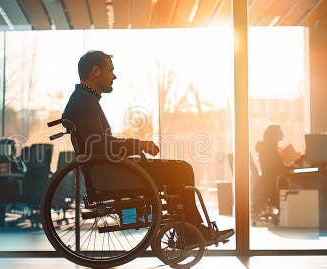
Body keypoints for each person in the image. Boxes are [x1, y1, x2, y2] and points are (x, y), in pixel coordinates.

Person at [62, 50, 234, 246]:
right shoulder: (85, 102)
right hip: (110, 174)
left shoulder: (83, 99)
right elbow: (100, 145)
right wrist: (139, 145)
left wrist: (135, 146)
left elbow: (99, 143)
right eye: (111, 70)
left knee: (178, 170)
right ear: (95, 71)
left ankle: (190, 230)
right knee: (181, 169)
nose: (114, 76)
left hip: (108, 169)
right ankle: (191, 232)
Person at [254, 125, 291, 218]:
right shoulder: (270, 149)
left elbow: (277, 166)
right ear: (273, 135)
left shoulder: (268, 148)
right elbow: (278, 168)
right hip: (273, 181)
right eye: (279, 132)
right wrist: (293, 166)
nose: (282, 134)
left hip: (269, 180)